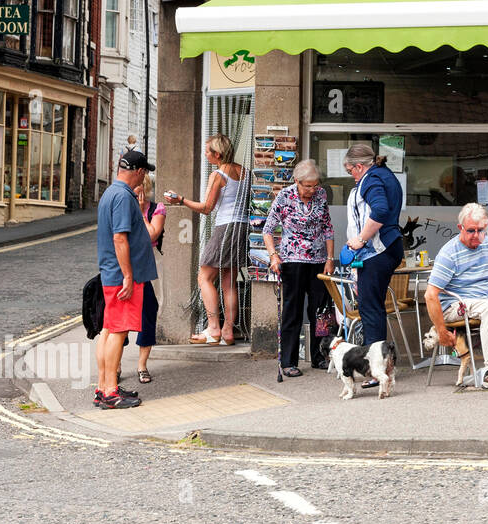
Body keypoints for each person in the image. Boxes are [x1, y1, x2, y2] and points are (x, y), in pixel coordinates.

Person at [424, 203, 488, 390]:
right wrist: (441, 331)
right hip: (455, 306)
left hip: (485, 301)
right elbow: (430, 295)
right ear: (460, 228)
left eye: (480, 230)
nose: (476, 235)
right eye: (471, 230)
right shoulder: (449, 253)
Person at [94, 150, 158, 409]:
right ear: (140, 172)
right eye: (145, 172)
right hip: (122, 277)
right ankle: (110, 391)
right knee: (118, 332)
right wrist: (129, 276)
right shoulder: (122, 196)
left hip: (112, 274)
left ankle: (103, 387)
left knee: (109, 331)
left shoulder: (111, 192)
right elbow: (120, 238)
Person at [262, 159, 335, 377]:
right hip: (292, 262)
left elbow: (328, 227)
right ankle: (288, 361)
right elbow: (268, 229)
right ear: (297, 181)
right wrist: (274, 256)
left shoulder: (321, 195)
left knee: (320, 312)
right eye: (307, 186)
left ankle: (319, 356)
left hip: (318, 261)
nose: (312, 190)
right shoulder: (284, 196)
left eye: (315, 185)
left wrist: (330, 258)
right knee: (292, 311)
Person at [173, 134, 247, 345]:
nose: (206, 155)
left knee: (204, 276)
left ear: (217, 154)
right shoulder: (245, 171)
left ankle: (213, 328)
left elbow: (206, 208)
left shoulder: (217, 175)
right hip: (242, 228)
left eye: (207, 152)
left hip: (225, 227)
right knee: (228, 282)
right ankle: (228, 332)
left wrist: (181, 200)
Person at [343, 143, 405, 387]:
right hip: (388, 247)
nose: (352, 176)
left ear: (360, 166)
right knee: (374, 307)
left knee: (370, 309)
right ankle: (382, 365)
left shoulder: (371, 179)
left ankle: (375, 369)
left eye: (350, 171)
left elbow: (379, 211)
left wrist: (360, 239)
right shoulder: (385, 175)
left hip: (376, 251)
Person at [131, 174, 167, 384]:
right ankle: (115, 364)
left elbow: (152, 235)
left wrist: (141, 213)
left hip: (150, 263)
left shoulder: (157, 209)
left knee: (149, 311)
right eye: (136, 188)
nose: (138, 192)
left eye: (142, 188)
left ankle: (142, 365)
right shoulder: (123, 206)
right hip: (128, 262)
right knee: (122, 315)